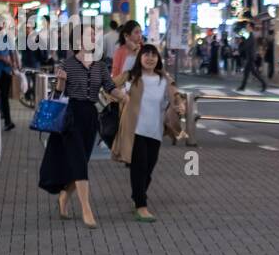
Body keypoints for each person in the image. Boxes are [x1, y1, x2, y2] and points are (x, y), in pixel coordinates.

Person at [38, 21, 127, 227]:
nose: (94, 38)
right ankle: (86, 209)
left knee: (81, 162)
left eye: (95, 35)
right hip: (71, 117)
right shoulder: (66, 65)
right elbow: (56, 95)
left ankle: (64, 196)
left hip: (90, 117)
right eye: (90, 34)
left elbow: (109, 87)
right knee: (79, 162)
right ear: (78, 40)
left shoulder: (100, 65)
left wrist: (123, 97)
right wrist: (60, 83)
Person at [113, 44, 183, 222]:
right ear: (140, 58)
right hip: (135, 130)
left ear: (158, 59)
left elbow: (176, 96)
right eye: (146, 54)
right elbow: (109, 87)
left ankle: (138, 195)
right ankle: (141, 206)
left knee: (149, 169)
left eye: (154, 55)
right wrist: (120, 95)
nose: (150, 58)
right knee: (140, 166)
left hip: (156, 130)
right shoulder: (131, 76)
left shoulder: (164, 78)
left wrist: (179, 104)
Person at [110, 20, 143, 84]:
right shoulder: (120, 52)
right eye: (136, 32)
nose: (140, 35)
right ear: (126, 35)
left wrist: (136, 50)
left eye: (140, 32)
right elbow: (115, 74)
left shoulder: (143, 49)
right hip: (123, 88)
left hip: (139, 87)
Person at [238, 24, 267, 92]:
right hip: (250, 57)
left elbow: (247, 46)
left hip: (250, 58)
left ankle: (264, 84)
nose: (246, 28)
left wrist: (242, 42)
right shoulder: (250, 36)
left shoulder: (251, 36)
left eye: (247, 27)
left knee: (253, 73)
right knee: (248, 73)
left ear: (250, 28)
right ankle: (242, 87)